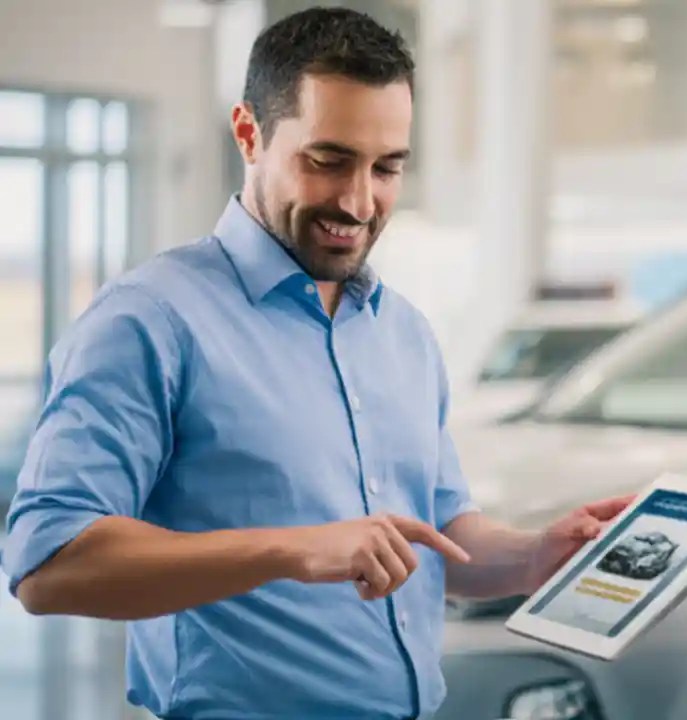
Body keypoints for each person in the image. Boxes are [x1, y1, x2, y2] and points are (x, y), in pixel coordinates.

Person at [1, 8, 631, 719]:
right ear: (249, 134)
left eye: (387, 167)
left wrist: (531, 557)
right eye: (327, 161)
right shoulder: (149, 319)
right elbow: (47, 562)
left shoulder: (403, 333)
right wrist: (290, 550)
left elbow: (439, 529)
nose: (359, 202)